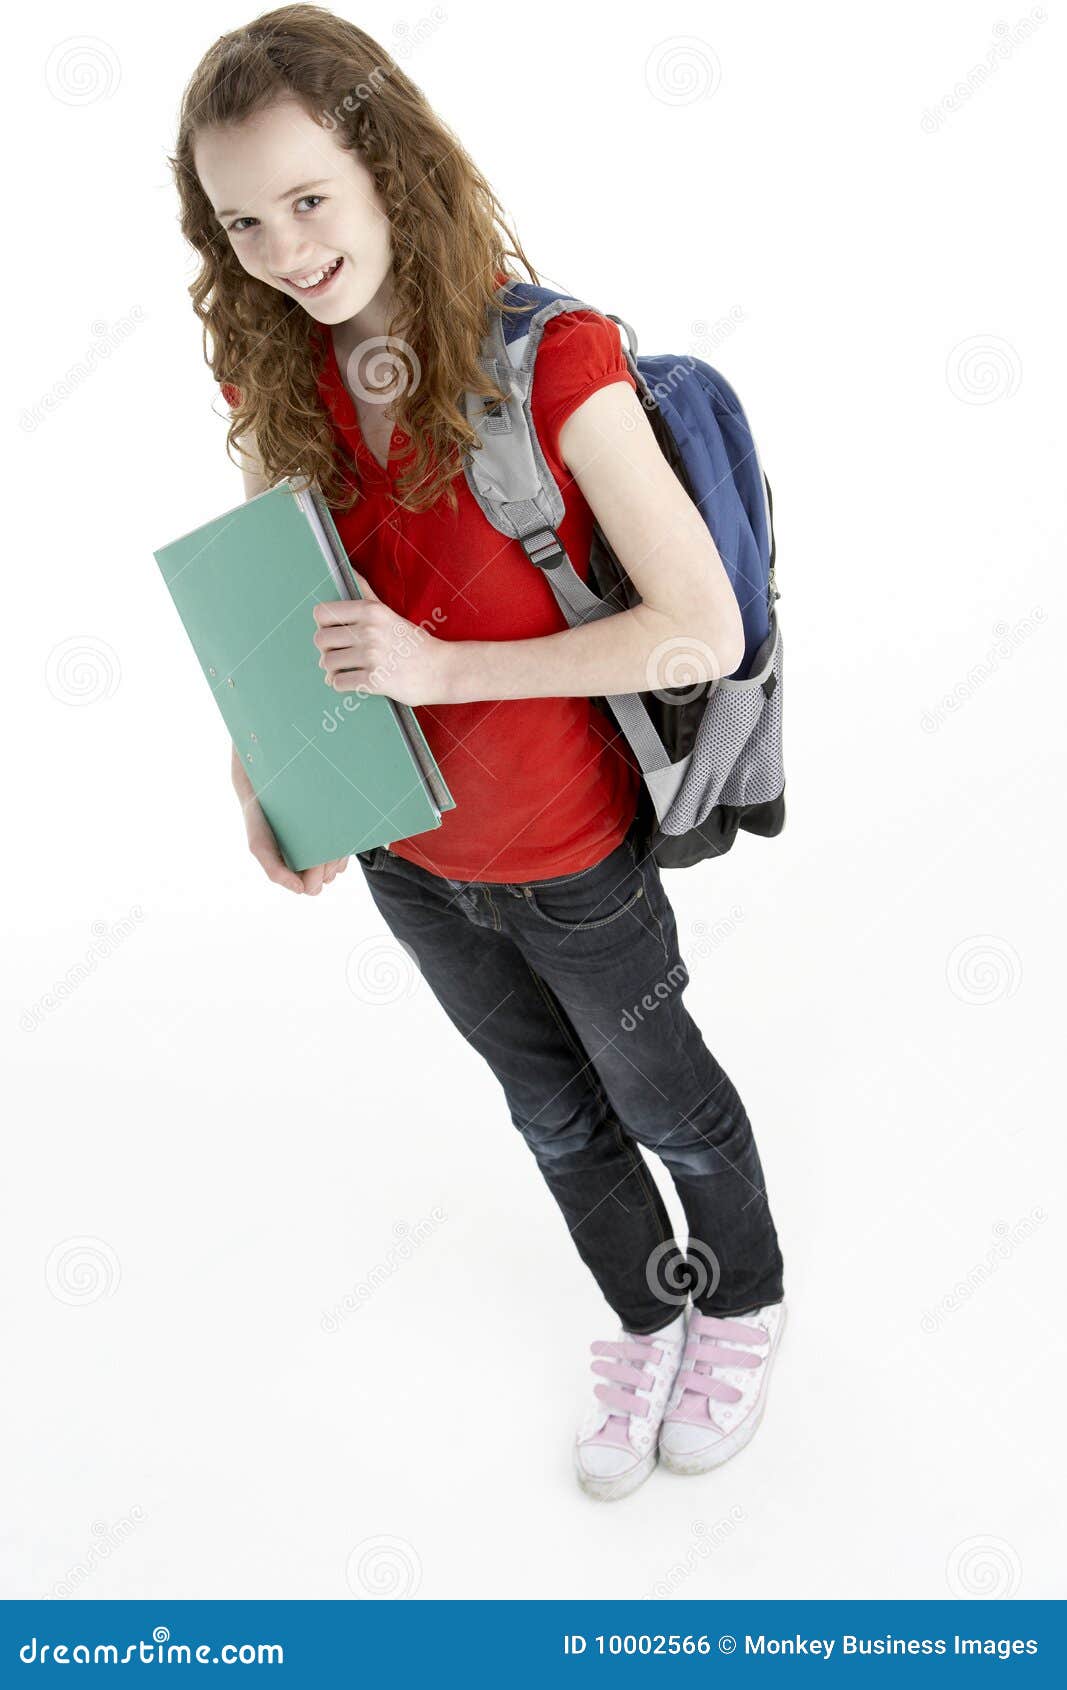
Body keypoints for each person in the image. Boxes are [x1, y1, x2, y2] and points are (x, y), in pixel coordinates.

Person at [173, 2, 786, 1501]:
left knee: (659, 1094)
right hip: (410, 854)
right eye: (242, 220)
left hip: (570, 854)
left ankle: (745, 1301)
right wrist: (263, 767)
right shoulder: (278, 374)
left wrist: (449, 664)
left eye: (309, 199)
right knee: (549, 1111)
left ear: (386, 163)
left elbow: (697, 626)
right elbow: (283, 601)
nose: (286, 251)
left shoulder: (550, 361)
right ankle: (650, 1306)